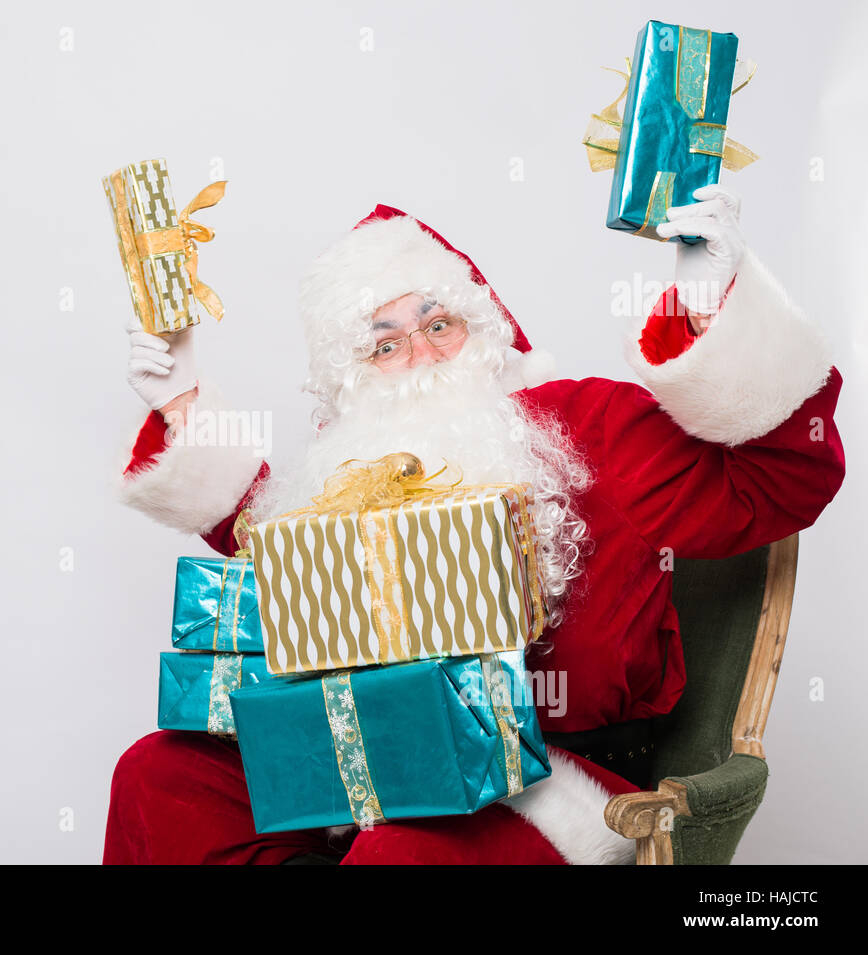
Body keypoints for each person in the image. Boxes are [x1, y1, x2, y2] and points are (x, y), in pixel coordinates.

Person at [105, 186, 846, 864]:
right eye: (385, 343)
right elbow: (277, 560)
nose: (422, 356)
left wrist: (714, 309)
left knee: (401, 854)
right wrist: (182, 404)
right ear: (353, 373)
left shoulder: (589, 429)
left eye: (439, 323)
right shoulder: (350, 454)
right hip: (372, 744)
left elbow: (784, 477)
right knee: (160, 777)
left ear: (482, 326)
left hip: (544, 778)